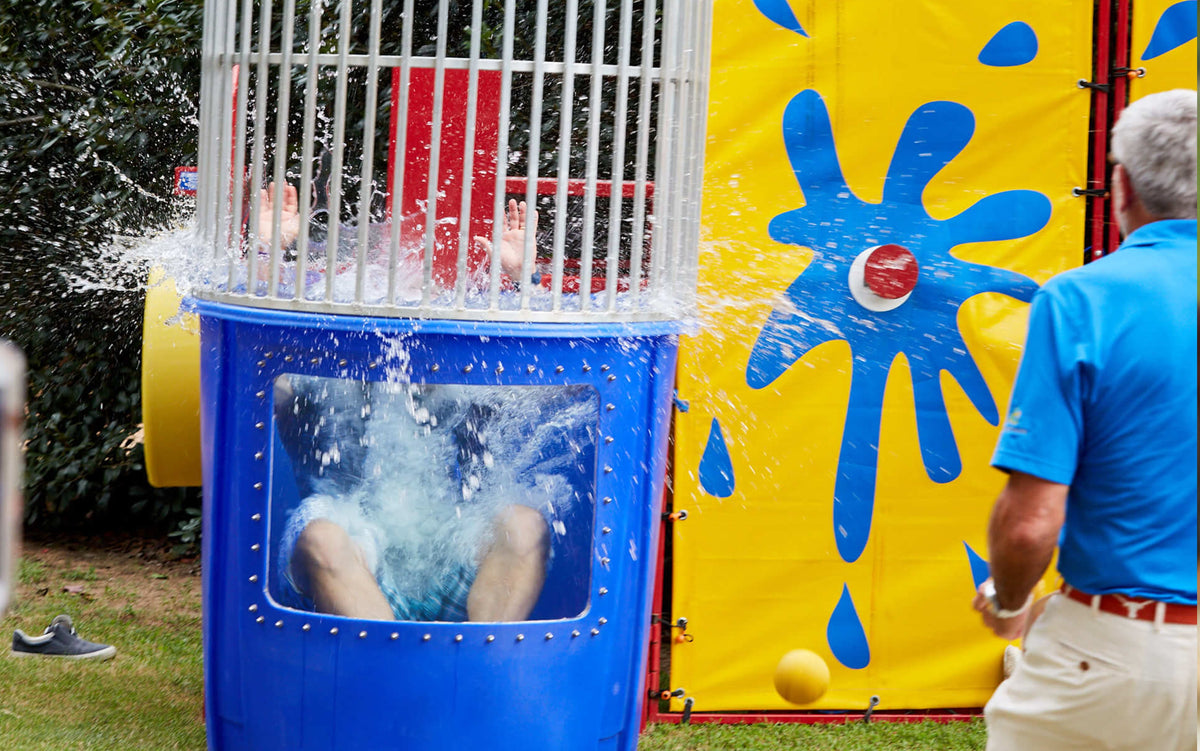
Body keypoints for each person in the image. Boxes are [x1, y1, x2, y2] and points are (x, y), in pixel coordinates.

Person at [972, 88, 1198, 750]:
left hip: (1111, 651)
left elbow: (1029, 526)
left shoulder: (1079, 300)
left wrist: (1012, 603)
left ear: (1120, 185)